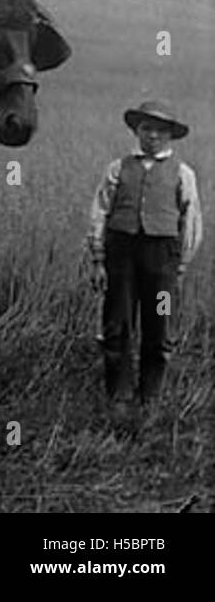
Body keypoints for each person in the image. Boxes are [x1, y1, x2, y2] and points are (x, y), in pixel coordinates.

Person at [85, 99, 202, 414]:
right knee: (117, 323)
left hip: (162, 260)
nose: (153, 136)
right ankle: (119, 396)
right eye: (147, 128)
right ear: (137, 131)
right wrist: (98, 259)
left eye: (160, 130)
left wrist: (181, 265)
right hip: (120, 256)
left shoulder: (183, 173)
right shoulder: (117, 167)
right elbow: (100, 211)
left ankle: (150, 395)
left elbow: (190, 220)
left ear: (170, 136)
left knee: (160, 324)